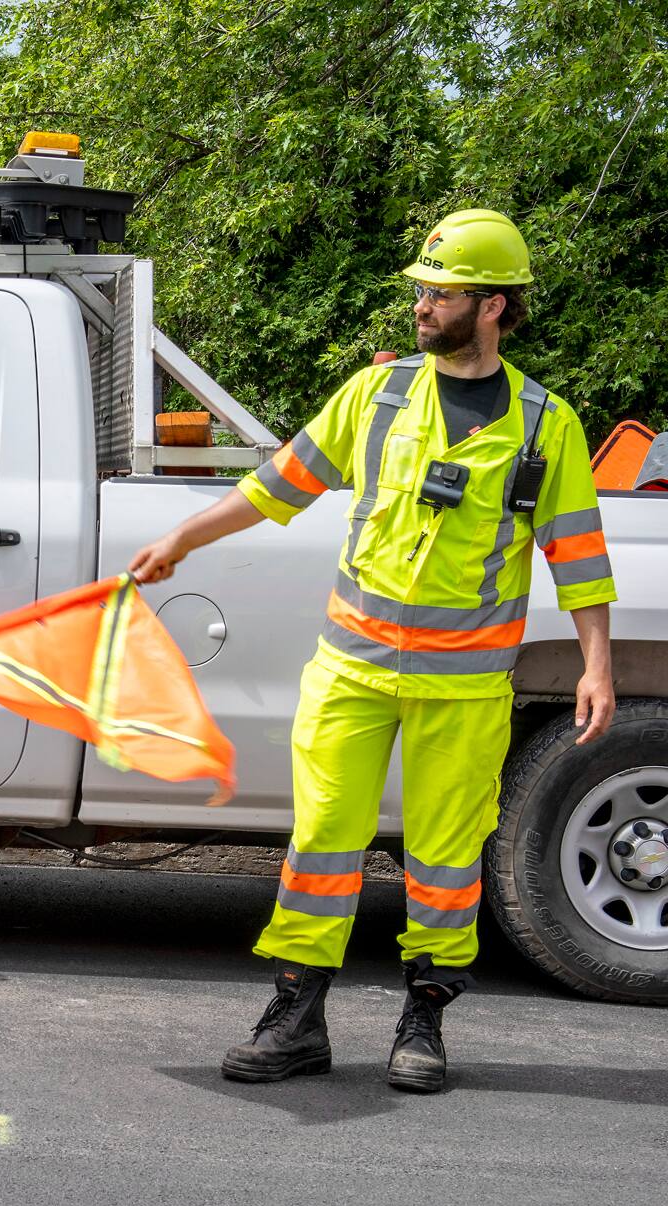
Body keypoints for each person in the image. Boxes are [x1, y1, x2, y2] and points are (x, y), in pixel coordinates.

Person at [127, 210, 617, 1093]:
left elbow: (577, 555)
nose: (423, 305)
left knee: (444, 856)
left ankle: (423, 1021)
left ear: (494, 305)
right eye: (423, 290)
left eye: (441, 292)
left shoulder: (549, 426)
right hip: (351, 672)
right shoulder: (376, 396)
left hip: (462, 692)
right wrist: (184, 539)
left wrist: (598, 663)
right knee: (321, 842)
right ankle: (295, 1017)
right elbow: (275, 488)